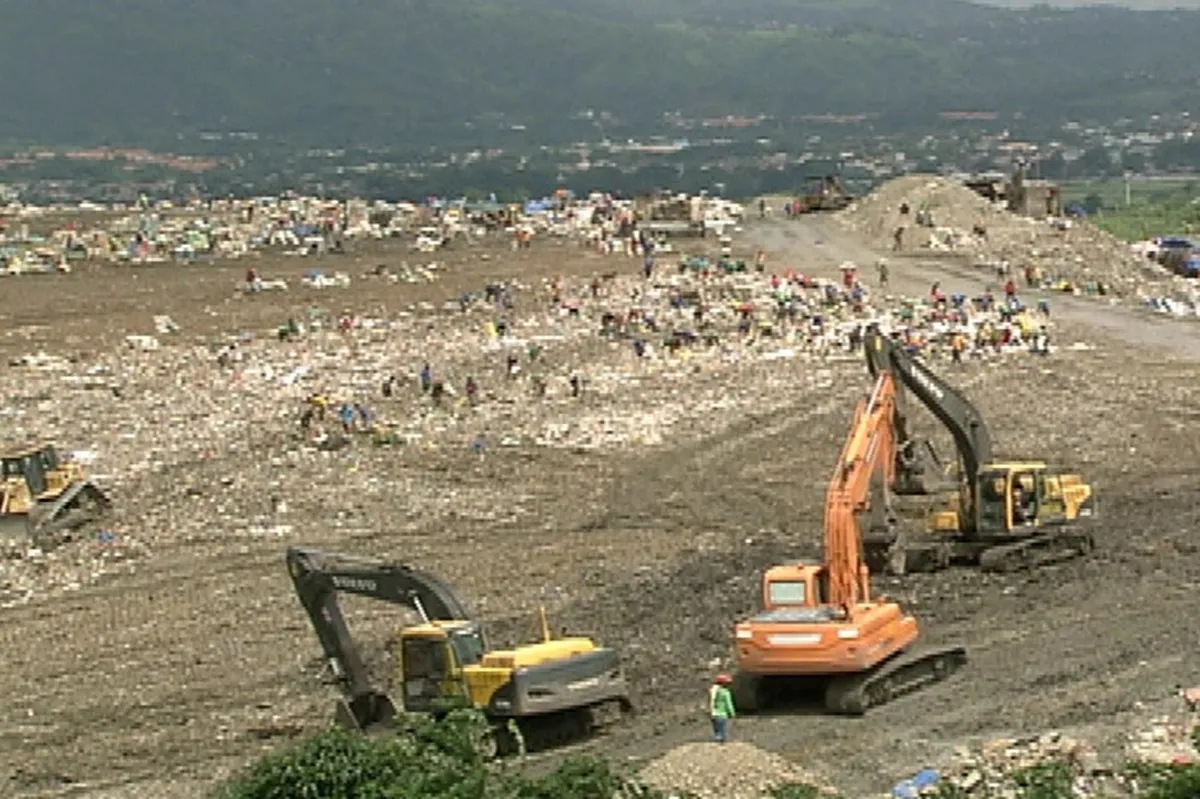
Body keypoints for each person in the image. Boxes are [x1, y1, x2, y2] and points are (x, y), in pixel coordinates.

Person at [708, 673, 736, 743]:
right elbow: (728, 704)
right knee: (722, 732)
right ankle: (721, 745)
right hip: (722, 715)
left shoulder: (714, 691)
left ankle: (716, 742)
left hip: (714, 714)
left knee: (717, 731)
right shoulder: (725, 693)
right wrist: (732, 713)